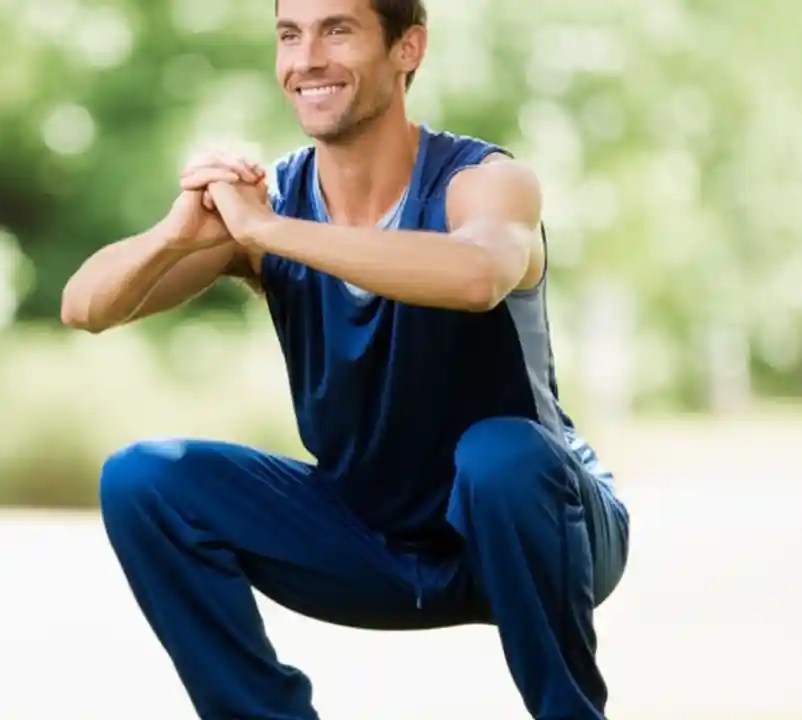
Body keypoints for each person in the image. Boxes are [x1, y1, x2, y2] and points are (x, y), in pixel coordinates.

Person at [60, 0, 630, 717]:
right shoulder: (272, 207)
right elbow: (84, 306)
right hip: (371, 537)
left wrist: (268, 231)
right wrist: (175, 236)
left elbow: (478, 275)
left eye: (337, 30)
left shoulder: (484, 182)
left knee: (501, 456)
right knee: (145, 480)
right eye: (289, 35)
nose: (307, 60)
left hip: (533, 529)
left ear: (407, 48)